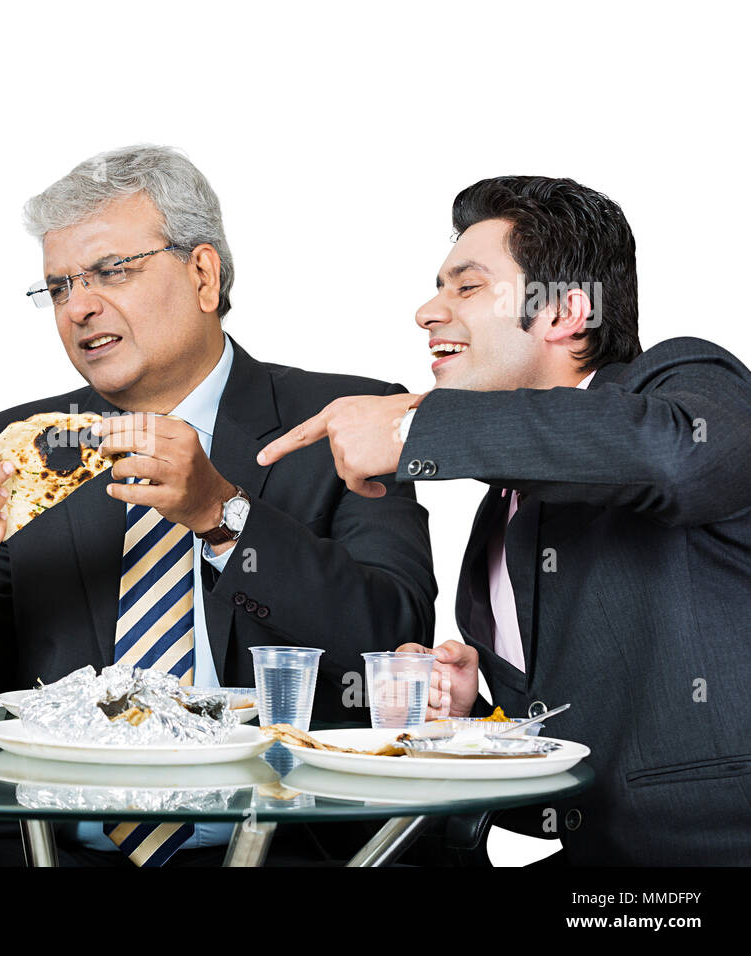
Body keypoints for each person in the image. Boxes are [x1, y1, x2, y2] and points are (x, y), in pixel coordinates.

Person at [0, 145, 436, 866]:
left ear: (203, 274)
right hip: (56, 851)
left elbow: (390, 646)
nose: (79, 306)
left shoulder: (342, 421)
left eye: (112, 271)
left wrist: (224, 517)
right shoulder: (23, 445)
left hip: (282, 847)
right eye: (58, 287)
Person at [258, 176, 751, 865]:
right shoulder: (507, 502)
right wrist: (478, 715)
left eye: (466, 287)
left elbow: (672, 456)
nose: (428, 311)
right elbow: (564, 726)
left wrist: (410, 428)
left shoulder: (680, 386)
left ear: (566, 312)